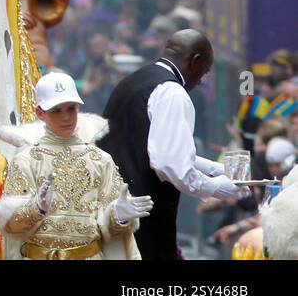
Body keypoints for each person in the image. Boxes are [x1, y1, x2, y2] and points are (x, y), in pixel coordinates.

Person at [97, 30, 248, 259]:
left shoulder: (134, 80)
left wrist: (214, 168)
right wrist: (216, 187)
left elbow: (157, 148)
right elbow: (169, 165)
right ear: (194, 61)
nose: (201, 80)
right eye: (204, 72)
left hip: (113, 210)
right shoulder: (172, 92)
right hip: (144, 218)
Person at [0, 72, 149, 260]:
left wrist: (118, 215)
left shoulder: (100, 160)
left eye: (71, 109)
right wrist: (35, 209)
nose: (66, 117)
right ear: (40, 113)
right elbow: (10, 225)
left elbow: (108, 228)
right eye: (56, 111)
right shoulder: (26, 160)